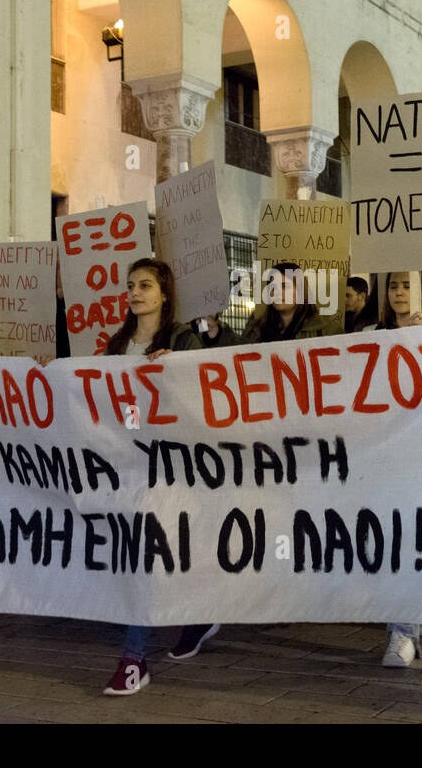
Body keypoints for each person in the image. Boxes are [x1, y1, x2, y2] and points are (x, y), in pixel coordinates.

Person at [102, 258, 216, 695]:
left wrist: (180, 370)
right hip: (127, 465)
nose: (135, 293)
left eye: (145, 285)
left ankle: (134, 660)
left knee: (143, 559)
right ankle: (200, 613)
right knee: (149, 560)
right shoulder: (116, 344)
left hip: (172, 469)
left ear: (164, 293)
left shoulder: (183, 339)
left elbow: (207, 394)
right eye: (130, 285)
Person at [376, 271, 422, 667]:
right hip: (379, 454)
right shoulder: (367, 333)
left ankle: (404, 632)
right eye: (394, 286)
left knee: (408, 536)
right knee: (386, 540)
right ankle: (407, 620)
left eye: (408, 286)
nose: (400, 293)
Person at [242, 262, 344, 342]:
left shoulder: (327, 330)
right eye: (272, 287)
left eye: (284, 286)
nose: (276, 292)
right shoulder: (255, 330)